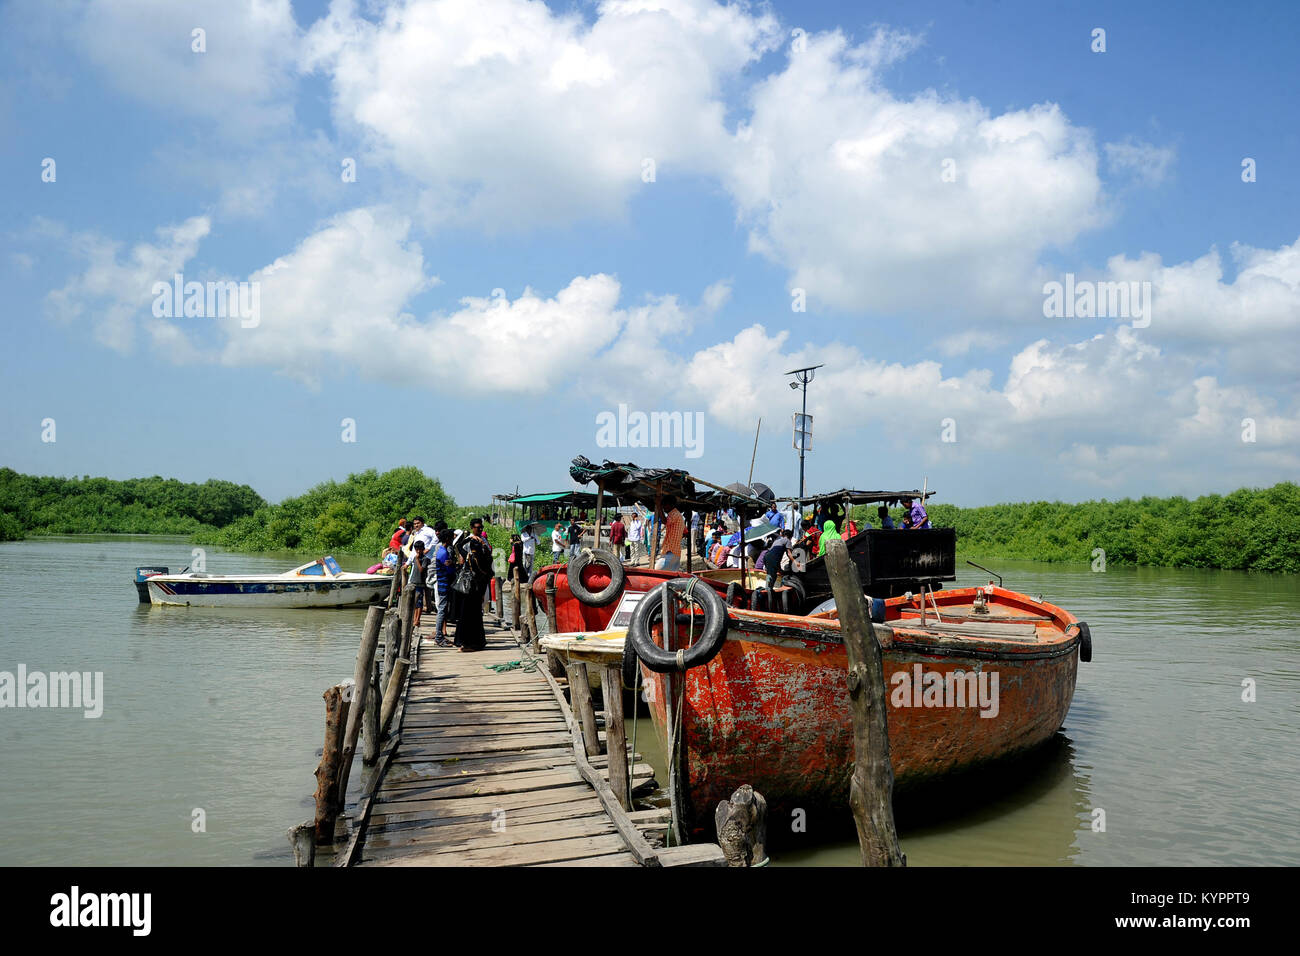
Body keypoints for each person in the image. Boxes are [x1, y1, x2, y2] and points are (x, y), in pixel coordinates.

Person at [454, 518, 492, 652]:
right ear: (472, 527)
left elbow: (488, 559)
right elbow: (459, 547)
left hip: (476, 586)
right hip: (471, 585)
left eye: (481, 528)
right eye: (477, 528)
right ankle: (469, 643)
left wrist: (478, 543)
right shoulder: (474, 550)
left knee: (472, 614)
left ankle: (471, 643)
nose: (480, 530)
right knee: (469, 614)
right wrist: (470, 539)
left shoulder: (482, 546)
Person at [432, 529, 456, 645]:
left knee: (443, 609)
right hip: (443, 584)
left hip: (444, 583)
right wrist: (453, 565)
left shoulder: (443, 550)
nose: (453, 540)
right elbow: (449, 570)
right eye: (452, 538)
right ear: (447, 539)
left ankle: (440, 635)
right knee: (441, 610)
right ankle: (438, 637)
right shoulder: (443, 553)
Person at [655, 496, 685, 571]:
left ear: (671, 505)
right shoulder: (677, 515)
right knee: (671, 574)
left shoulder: (674, 514)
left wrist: (659, 507)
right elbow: (685, 532)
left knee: (658, 569)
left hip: (671, 550)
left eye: (665, 505)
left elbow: (664, 521)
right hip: (675, 550)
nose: (664, 507)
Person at [410, 539, 430, 628]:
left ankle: (417, 619)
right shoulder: (415, 558)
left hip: (420, 583)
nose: (418, 551)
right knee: (414, 602)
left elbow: (422, 570)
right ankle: (414, 619)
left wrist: (418, 559)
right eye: (416, 549)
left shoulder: (425, 559)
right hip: (414, 581)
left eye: (420, 549)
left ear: (423, 549)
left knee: (419, 602)